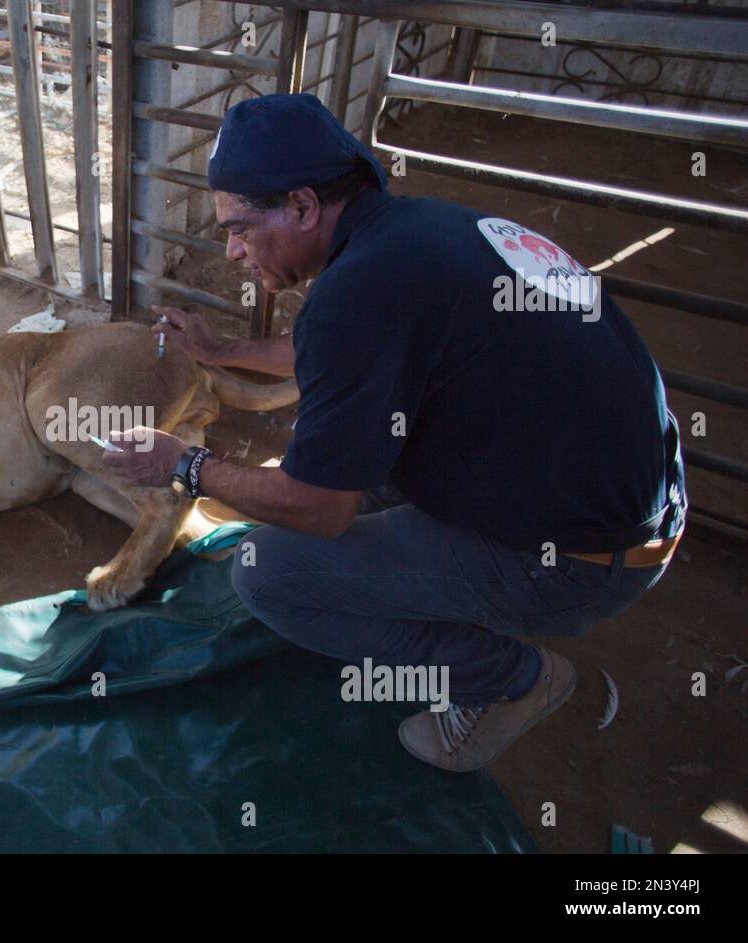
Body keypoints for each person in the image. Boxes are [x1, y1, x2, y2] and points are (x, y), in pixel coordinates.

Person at [101, 93, 686, 772]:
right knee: (347, 448)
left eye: (239, 227)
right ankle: (438, 593)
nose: (231, 250)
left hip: (587, 563)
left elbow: (320, 508)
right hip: (632, 496)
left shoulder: (356, 296)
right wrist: (224, 350)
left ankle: (505, 680)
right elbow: (345, 347)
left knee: (268, 571)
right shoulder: (411, 233)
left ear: (301, 206)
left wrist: (186, 465)